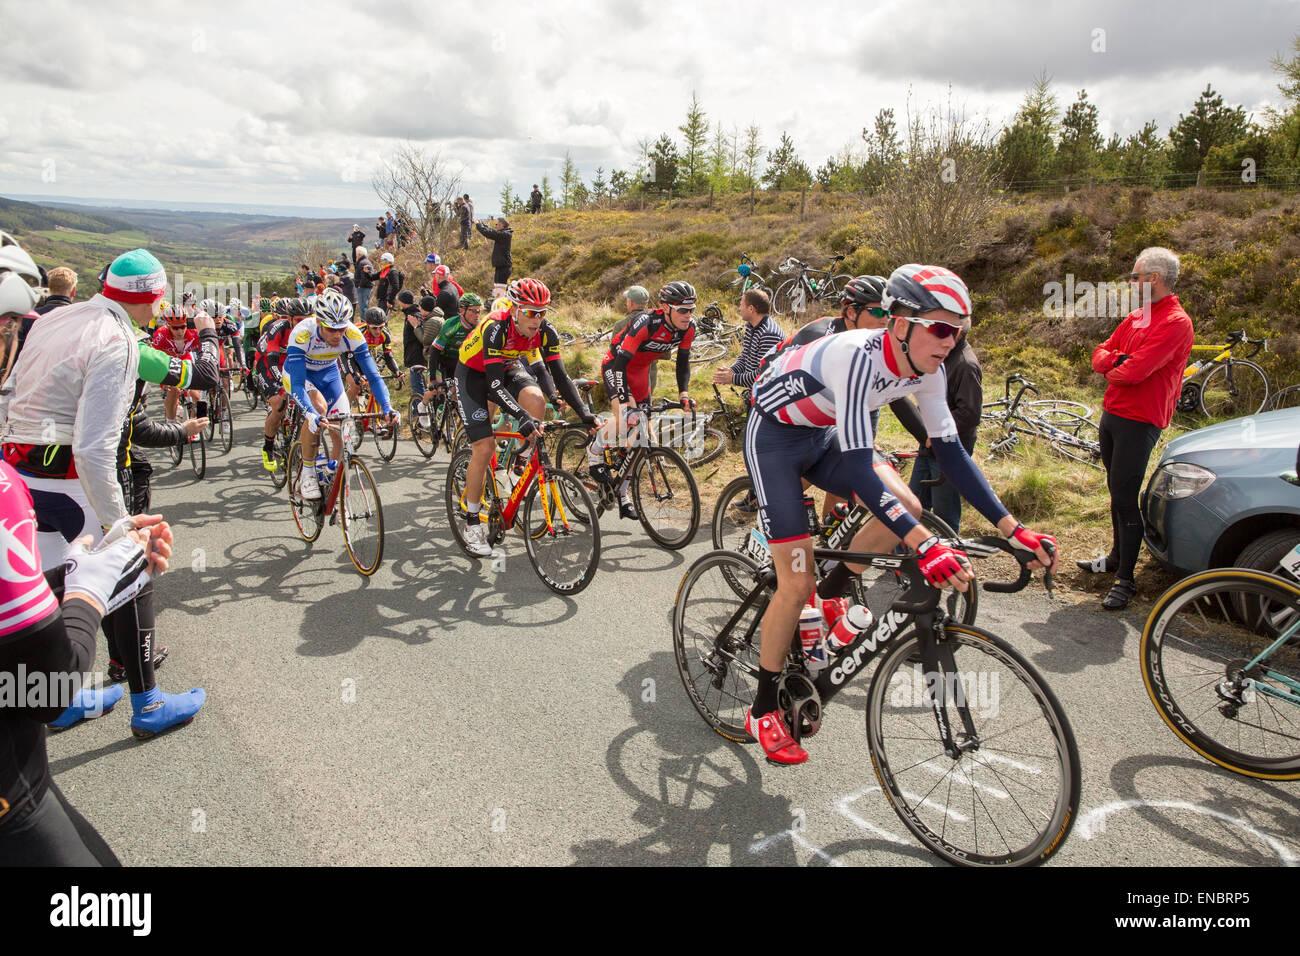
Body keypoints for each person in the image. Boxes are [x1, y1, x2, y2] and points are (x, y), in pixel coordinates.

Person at [743, 264, 1058, 764]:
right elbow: (857, 467)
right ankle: (762, 708)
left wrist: (1013, 530)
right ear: (900, 322)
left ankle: (833, 594)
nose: (950, 341)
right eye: (940, 327)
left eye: (958, 330)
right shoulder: (855, 356)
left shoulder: (928, 368)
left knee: (909, 506)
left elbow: (951, 454)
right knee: (795, 580)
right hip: (776, 440)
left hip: (823, 435)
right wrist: (926, 546)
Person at [0, 245, 211, 739]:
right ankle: (150, 704)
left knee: (53, 584)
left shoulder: (60, 316)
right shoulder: (119, 340)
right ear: (157, 299)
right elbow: (96, 447)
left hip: (22, 473)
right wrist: (124, 528)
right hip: (68, 479)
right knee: (132, 573)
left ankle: (58, 699)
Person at [1079, 246, 1194, 611]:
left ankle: (1125, 580)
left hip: (1140, 418)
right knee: (1116, 491)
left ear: (1154, 279)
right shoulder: (1138, 316)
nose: (1130, 282)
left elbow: (1134, 372)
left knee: (1127, 499)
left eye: (1134, 276)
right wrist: (1113, 361)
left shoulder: (1176, 322)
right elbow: (1100, 353)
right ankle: (1115, 557)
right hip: (1113, 412)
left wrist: (1114, 366)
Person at [454, 278, 596, 556]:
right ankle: (471, 521)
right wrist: (520, 417)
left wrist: (586, 413)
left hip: (505, 366)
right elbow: (494, 386)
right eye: (531, 312)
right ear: (515, 309)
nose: (537, 319)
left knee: (537, 401)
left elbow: (559, 376)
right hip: (473, 375)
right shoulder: (496, 327)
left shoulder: (545, 331)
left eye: (543, 312)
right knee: (483, 448)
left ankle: (516, 464)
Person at [588, 281, 697, 519]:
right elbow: (620, 363)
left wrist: (684, 394)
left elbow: (682, 363)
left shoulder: (688, 328)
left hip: (641, 373)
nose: (688, 315)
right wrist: (625, 405)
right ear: (665, 307)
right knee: (626, 418)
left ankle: (623, 494)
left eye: (691, 309)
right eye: (682, 309)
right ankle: (595, 450)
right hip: (617, 367)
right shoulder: (645, 322)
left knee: (643, 434)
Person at [284, 290, 397, 500]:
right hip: (300, 375)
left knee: (344, 426)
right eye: (330, 329)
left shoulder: (352, 333)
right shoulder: (302, 333)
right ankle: (307, 472)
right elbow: (298, 383)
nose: (337, 335)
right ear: (318, 321)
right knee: (318, 409)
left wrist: (387, 407)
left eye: (341, 329)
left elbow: (373, 375)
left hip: (328, 373)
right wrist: (309, 413)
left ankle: (329, 474)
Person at [712, 288, 783, 389]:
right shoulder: (751, 326)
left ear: (751, 309)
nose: (739, 308)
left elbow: (763, 375)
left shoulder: (769, 335)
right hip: (755, 392)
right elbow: (745, 356)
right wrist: (731, 371)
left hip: (767, 395)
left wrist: (733, 378)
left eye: (741, 304)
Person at [474, 217, 513, 300]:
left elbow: (489, 233)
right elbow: (490, 230)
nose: (495, 226)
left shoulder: (505, 235)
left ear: (501, 225)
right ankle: (498, 305)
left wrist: (478, 224)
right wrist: (482, 223)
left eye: (496, 224)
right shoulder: (503, 233)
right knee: (497, 289)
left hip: (504, 266)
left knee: (500, 290)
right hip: (501, 266)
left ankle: (500, 307)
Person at [354, 246, 374, 314]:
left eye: (356, 253)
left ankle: (364, 322)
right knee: (363, 306)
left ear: (359, 254)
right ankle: (364, 322)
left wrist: (360, 285)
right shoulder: (364, 262)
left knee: (363, 307)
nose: (355, 255)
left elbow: (364, 276)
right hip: (364, 287)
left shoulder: (363, 263)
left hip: (364, 288)